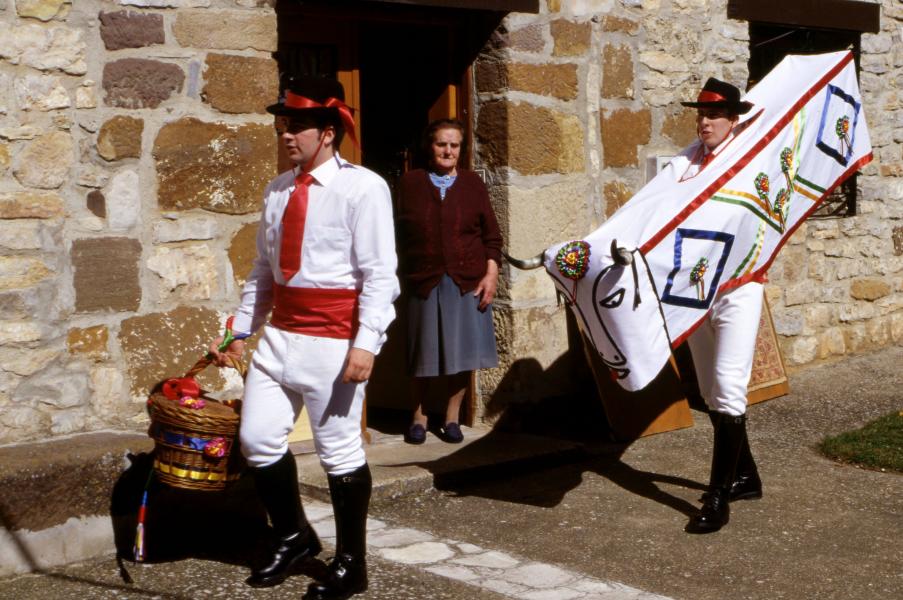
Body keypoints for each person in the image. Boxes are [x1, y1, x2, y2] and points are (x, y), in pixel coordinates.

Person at [209, 75, 399, 598]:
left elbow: (381, 274)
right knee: (257, 440)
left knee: (338, 452)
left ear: (329, 132)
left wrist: (367, 343)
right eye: (284, 125)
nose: (287, 135)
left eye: (299, 126)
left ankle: (351, 563)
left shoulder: (364, 187)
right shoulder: (277, 190)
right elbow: (262, 272)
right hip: (280, 338)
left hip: (334, 342)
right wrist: (238, 330)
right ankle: (294, 535)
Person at [674, 78, 764, 533]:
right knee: (710, 391)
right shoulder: (684, 162)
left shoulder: (748, 162)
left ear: (733, 119)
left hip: (739, 286)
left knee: (728, 388)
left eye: (713, 116)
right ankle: (745, 476)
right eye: (701, 115)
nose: (704, 122)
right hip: (694, 289)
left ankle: (718, 499)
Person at [395, 118, 502, 445]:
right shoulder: (411, 183)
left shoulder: (472, 185)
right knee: (422, 356)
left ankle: (452, 418)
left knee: (462, 355)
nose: (448, 150)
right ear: (430, 146)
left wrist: (491, 273)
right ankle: (419, 416)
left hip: (466, 282)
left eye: (454, 145)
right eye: (442, 143)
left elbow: (492, 237)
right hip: (423, 280)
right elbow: (394, 233)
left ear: (461, 149)